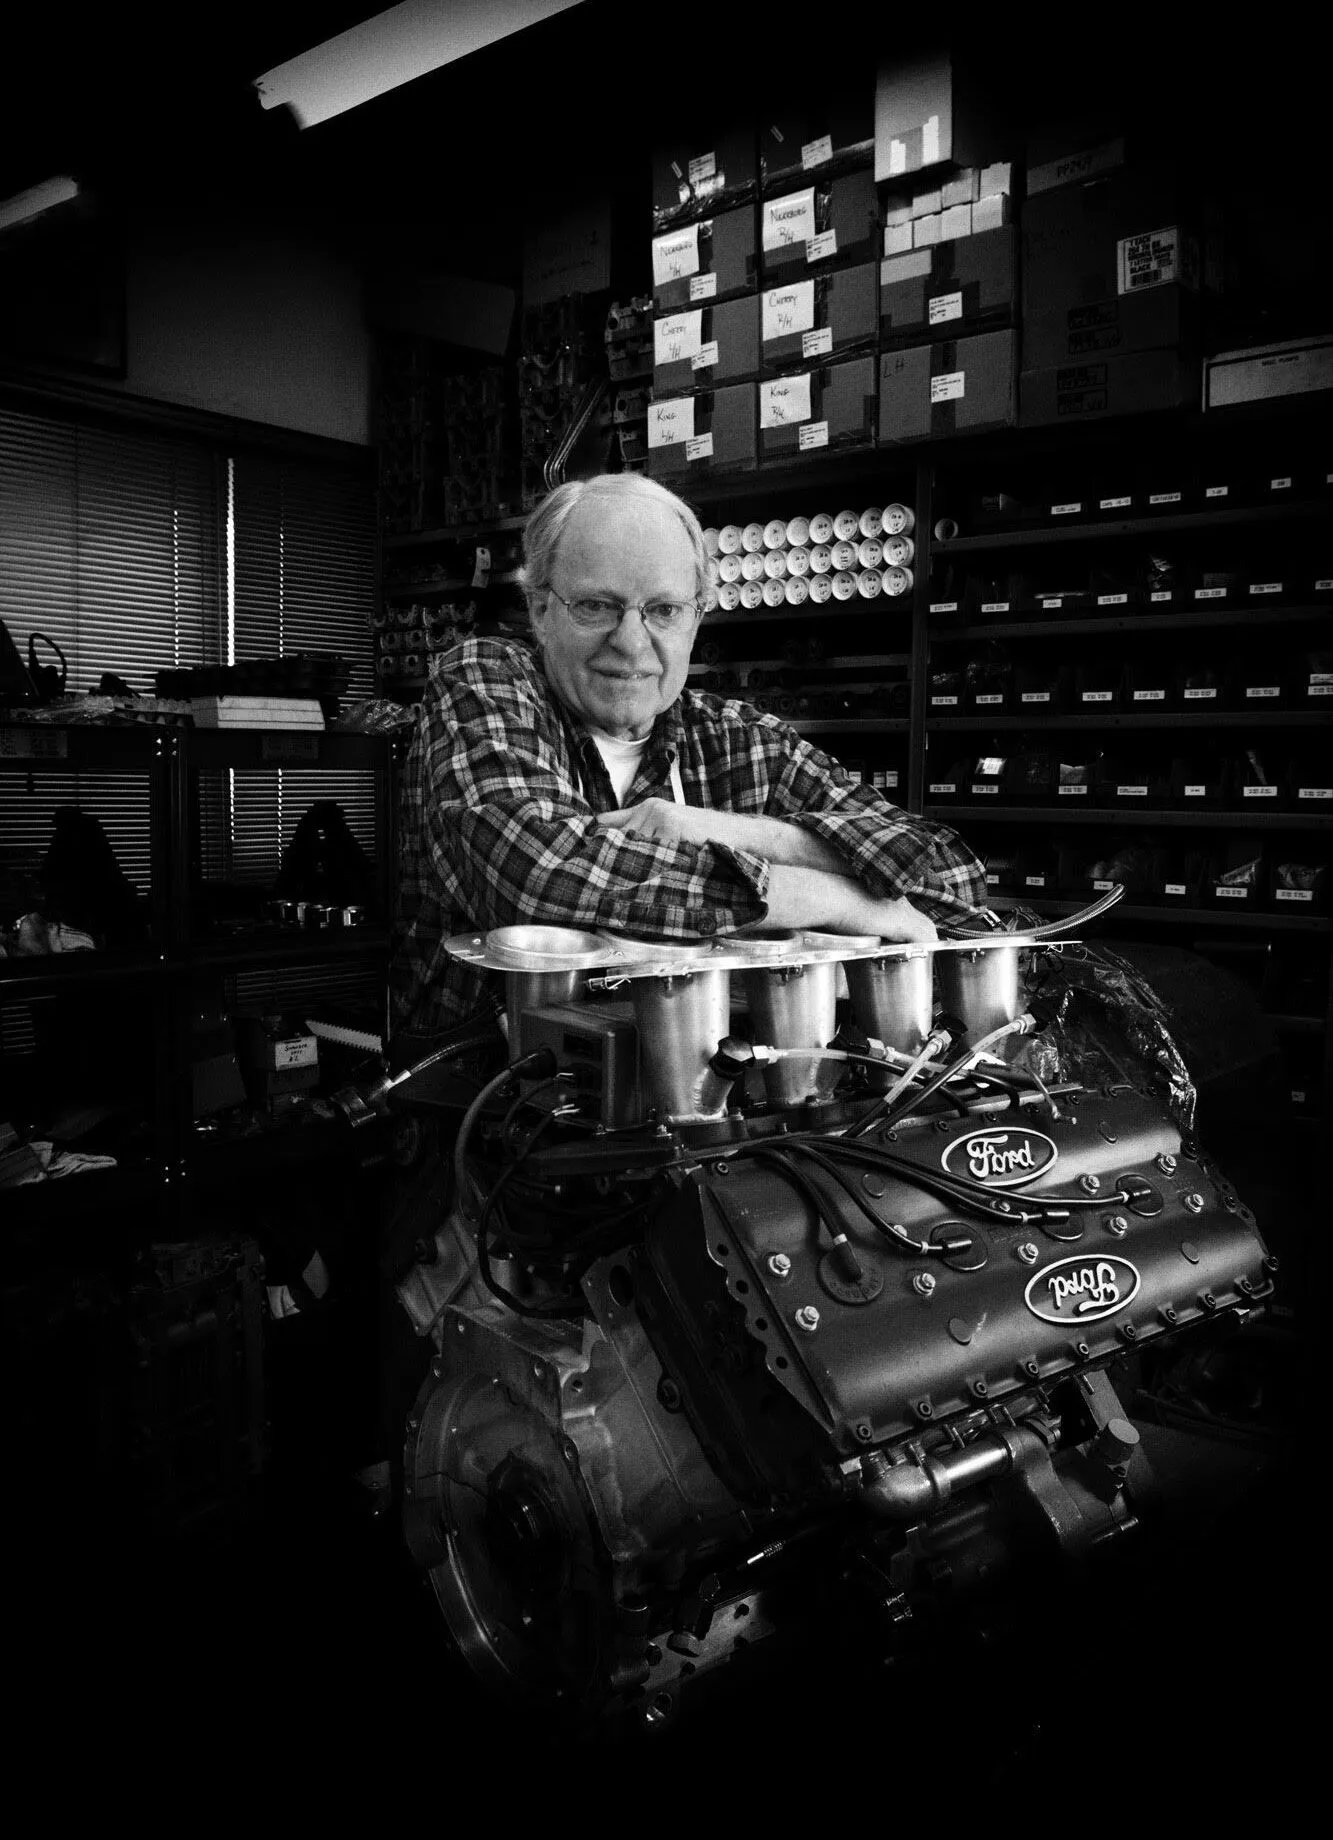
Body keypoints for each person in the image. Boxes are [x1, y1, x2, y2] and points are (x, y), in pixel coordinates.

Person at [391, 473, 989, 1039]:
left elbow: (951, 882)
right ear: (541, 611)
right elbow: (536, 874)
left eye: (664, 610)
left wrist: (711, 829)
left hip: (718, 1089)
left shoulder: (737, 741)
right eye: (597, 606)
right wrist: (836, 899)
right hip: (489, 1089)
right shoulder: (486, 681)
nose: (631, 642)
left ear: (695, 621)